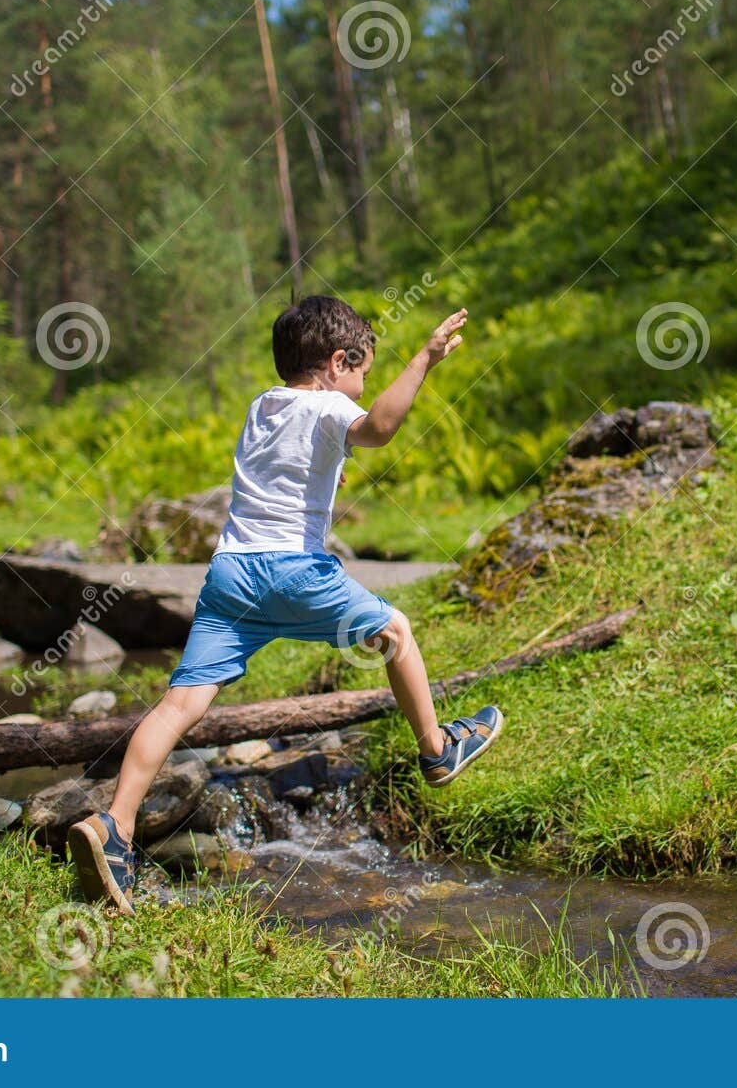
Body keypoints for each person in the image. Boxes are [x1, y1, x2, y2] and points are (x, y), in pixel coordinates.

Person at [69, 296, 502, 913]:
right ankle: (436, 750)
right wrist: (425, 360)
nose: (363, 387)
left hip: (230, 576)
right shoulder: (331, 404)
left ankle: (116, 826)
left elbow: (286, 465)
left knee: (180, 704)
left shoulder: (262, 406)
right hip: (292, 571)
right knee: (397, 634)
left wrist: (332, 465)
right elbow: (378, 427)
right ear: (336, 362)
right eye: (364, 373)